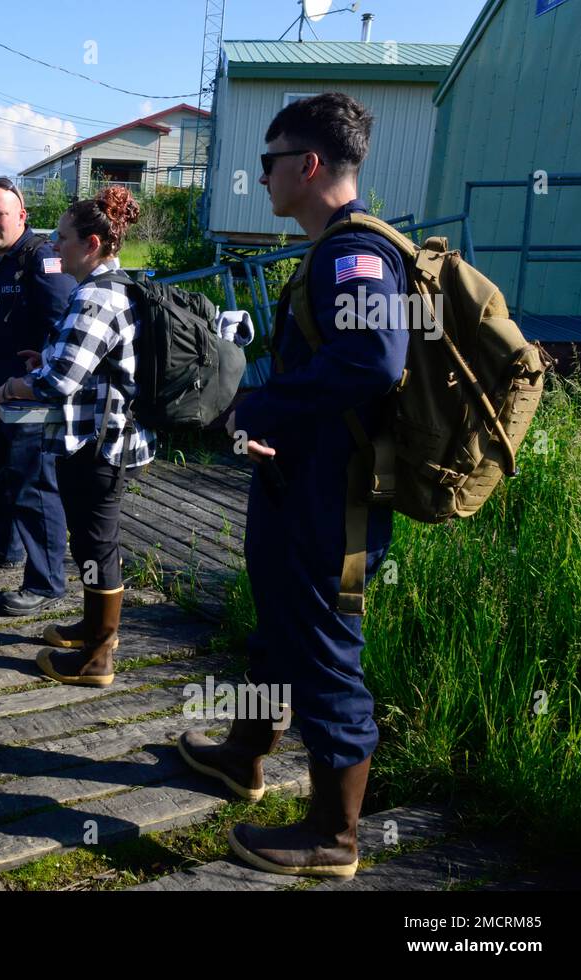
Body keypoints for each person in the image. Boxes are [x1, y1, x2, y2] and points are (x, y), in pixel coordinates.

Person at [178, 92, 408, 878]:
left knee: (325, 655)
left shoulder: (355, 255)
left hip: (332, 502)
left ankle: (335, 838)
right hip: (296, 486)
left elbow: (374, 359)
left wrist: (266, 404)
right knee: (276, 627)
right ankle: (243, 756)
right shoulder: (324, 253)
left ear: (307, 166)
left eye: (268, 163)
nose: (261, 177)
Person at [0, 186, 156, 686]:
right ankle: (91, 628)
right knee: (87, 539)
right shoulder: (107, 288)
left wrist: (10, 388)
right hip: (97, 436)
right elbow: (85, 366)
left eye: (63, 239)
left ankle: (97, 658)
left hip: (102, 445)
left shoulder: (97, 298)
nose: (55, 248)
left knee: (97, 543)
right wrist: (46, 361)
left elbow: (59, 382)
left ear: (93, 244)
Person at [0, 176, 76, 615]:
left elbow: (66, 329)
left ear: (21, 215)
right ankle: (2, 547)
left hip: (28, 401)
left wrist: (35, 375)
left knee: (33, 486)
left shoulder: (41, 260)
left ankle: (46, 582)